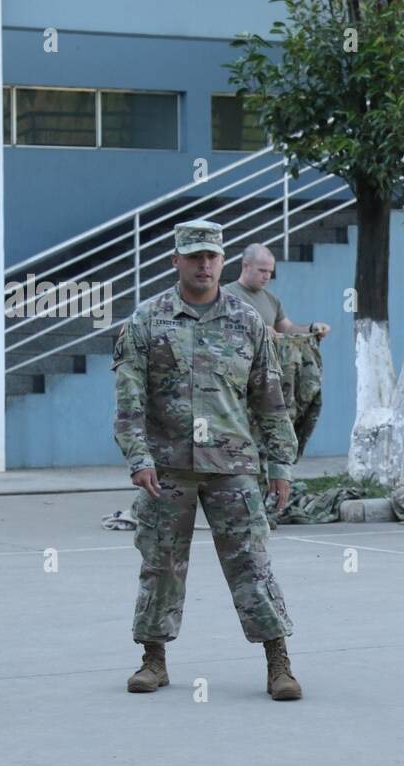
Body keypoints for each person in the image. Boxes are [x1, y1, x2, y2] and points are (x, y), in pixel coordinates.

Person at [112, 220, 303, 701]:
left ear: (222, 261)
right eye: (194, 256)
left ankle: (278, 663)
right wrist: (138, 457)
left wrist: (280, 466)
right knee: (160, 564)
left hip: (232, 465)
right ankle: (153, 660)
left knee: (252, 564)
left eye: (211, 256)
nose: (203, 265)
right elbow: (129, 400)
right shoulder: (147, 320)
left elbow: (270, 400)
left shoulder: (247, 321)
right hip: (167, 468)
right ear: (175, 260)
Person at [223, 243, 329, 520]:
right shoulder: (227, 296)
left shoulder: (270, 299)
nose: (266, 276)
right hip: (241, 385)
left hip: (270, 384)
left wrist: (311, 329)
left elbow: (287, 328)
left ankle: (260, 504)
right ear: (245, 266)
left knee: (269, 441)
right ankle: (241, 503)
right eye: (262, 271)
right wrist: (258, 330)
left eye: (270, 272)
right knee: (246, 444)